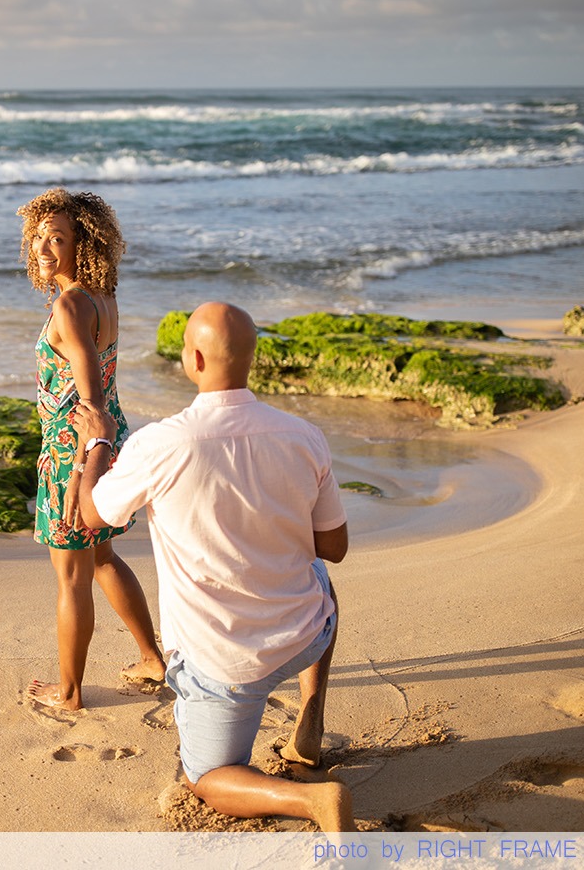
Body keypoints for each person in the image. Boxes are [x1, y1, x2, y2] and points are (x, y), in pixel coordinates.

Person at [72, 301, 355, 833]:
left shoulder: (160, 443)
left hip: (223, 666)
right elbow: (333, 547)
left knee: (207, 776)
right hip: (303, 635)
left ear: (194, 360)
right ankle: (310, 711)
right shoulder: (303, 435)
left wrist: (98, 442)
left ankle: (314, 803)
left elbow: (92, 515)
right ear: (251, 358)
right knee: (320, 579)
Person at [18, 187, 166, 712]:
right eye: (38, 236)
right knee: (101, 557)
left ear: (85, 243)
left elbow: (91, 397)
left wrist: (85, 459)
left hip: (75, 447)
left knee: (72, 573)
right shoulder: (102, 298)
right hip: (107, 438)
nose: (43, 248)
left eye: (57, 238)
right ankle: (152, 658)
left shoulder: (70, 303)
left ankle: (71, 692)